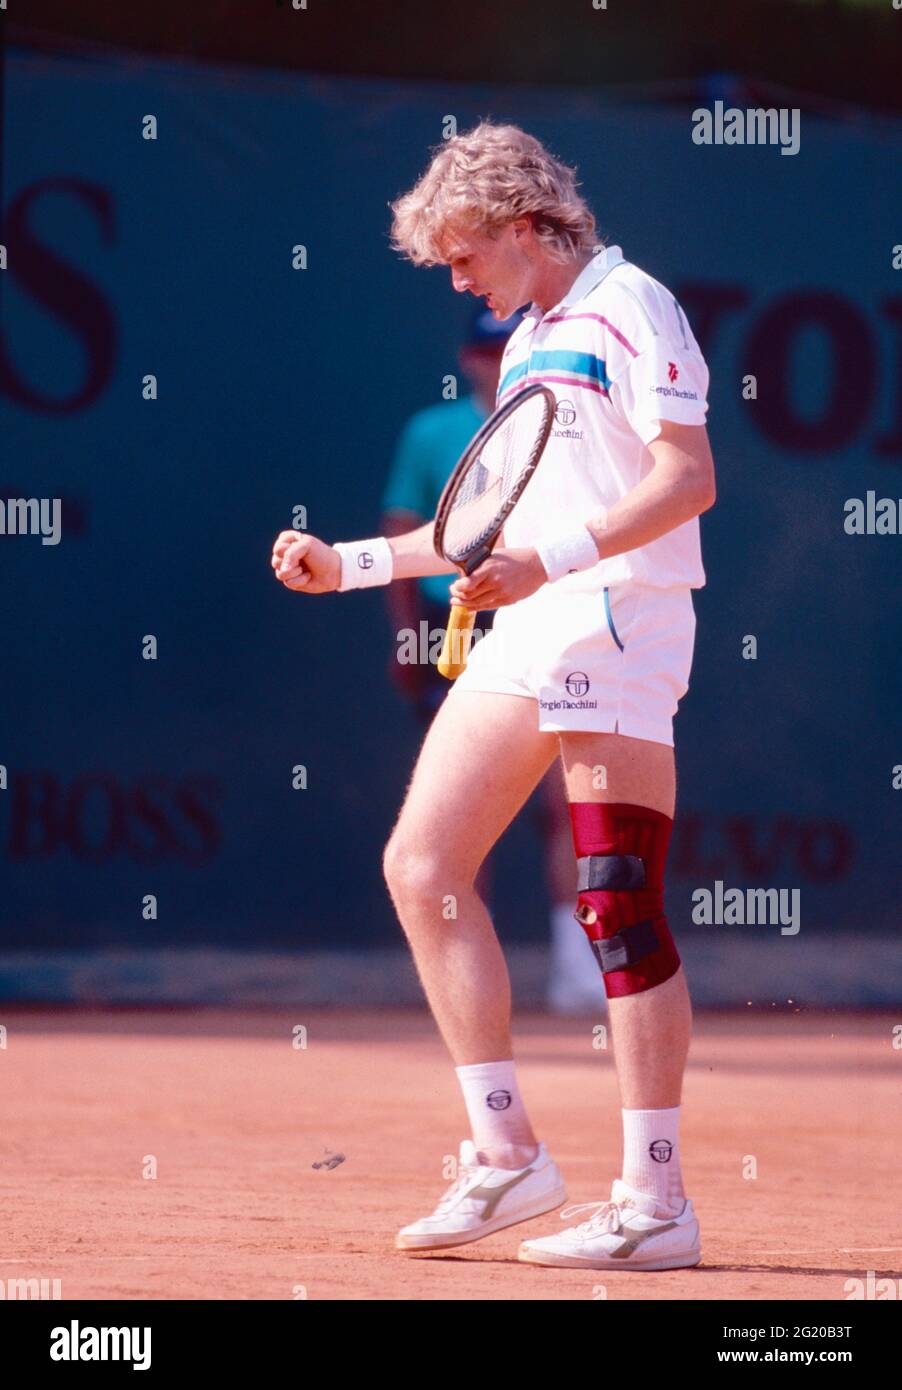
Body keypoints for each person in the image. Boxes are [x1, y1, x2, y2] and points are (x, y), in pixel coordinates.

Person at [271, 120, 716, 1272]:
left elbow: (686, 479)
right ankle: (507, 1154)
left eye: (466, 256)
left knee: (616, 905)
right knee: (421, 867)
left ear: (526, 226)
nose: (457, 280)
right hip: (533, 621)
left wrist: (550, 562)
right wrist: (355, 562)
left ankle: (655, 1200)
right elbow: (487, 526)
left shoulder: (631, 307)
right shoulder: (527, 341)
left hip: (618, 620)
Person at [380, 306, 603, 1012]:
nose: (493, 357)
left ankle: (577, 971)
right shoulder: (430, 432)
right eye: (484, 347)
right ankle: (468, 982)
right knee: (459, 818)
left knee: (564, 804)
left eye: (506, 343)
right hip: (460, 626)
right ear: (466, 358)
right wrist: (405, 636)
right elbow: (403, 531)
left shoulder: (573, 426)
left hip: (550, 615)